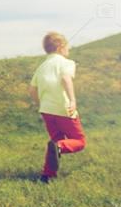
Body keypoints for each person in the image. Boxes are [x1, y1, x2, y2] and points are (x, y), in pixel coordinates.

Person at [29, 31, 86, 182]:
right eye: (68, 47)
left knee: (55, 140)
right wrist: (72, 100)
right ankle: (59, 148)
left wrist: (40, 103)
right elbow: (66, 79)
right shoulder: (65, 63)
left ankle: (47, 175)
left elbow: (32, 89)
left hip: (47, 111)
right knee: (79, 141)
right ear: (61, 47)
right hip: (64, 109)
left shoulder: (41, 67)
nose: (69, 50)